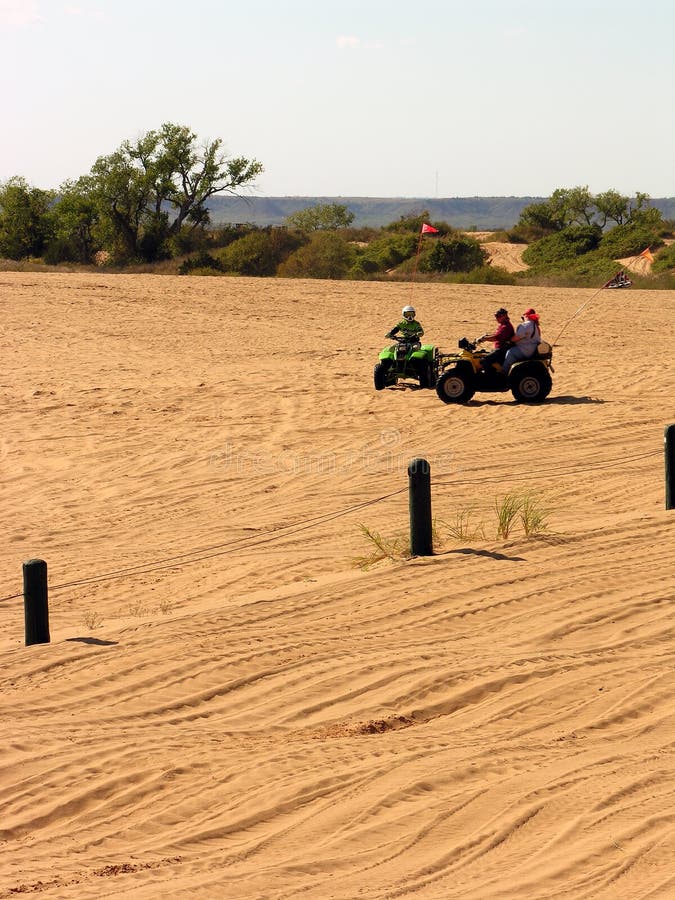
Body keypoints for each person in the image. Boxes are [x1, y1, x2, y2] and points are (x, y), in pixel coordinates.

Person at [503, 308, 541, 375]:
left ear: (526, 316)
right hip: (532, 349)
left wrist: (509, 341)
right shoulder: (535, 325)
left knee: (510, 353)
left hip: (524, 350)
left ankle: (504, 374)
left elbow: (516, 338)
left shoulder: (526, 325)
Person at [476, 307, 514, 372]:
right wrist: (486, 336)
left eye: (498, 316)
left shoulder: (506, 327)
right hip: (499, 350)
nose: (496, 318)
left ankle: (491, 378)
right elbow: (496, 335)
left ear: (504, 316)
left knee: (484, 360)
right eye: (496, 316)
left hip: (501, 351)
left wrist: (484, 339)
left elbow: (496, 337)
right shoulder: (503, 325)